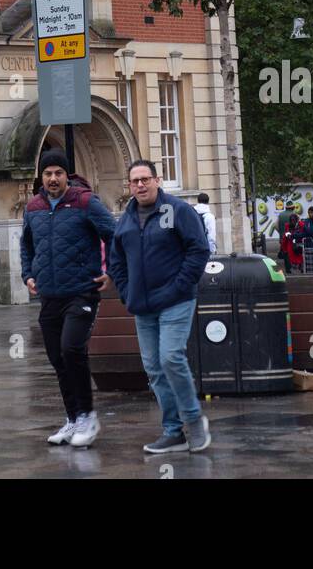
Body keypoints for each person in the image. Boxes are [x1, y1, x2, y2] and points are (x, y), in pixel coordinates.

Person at [108, 160, 211, 455]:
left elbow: (199, 249)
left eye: (145, 179)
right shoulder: (125, 220)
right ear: (129, 186)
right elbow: (116, 261)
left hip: (176, 300)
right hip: (142, 305)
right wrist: (127, 293)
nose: (140, 185)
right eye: (134, 181)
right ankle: (173, 431)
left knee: (170, 358)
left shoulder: (178, 210)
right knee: (153, 368)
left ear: (157, 180)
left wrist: (179, 286)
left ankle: (193, 420)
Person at [20, 149, 116, 449]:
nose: (52, 178)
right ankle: (73, 417)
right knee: (58, 359)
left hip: (81, 291)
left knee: (72, 349)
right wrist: (27, 274)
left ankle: (88, 416)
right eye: (47, 173)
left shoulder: (85, 202)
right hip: (49, 294)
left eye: (58, 173)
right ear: (42, 177)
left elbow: (114, 234)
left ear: (66, 176)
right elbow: (26, 245)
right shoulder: (33, 207)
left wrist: (111, 270)